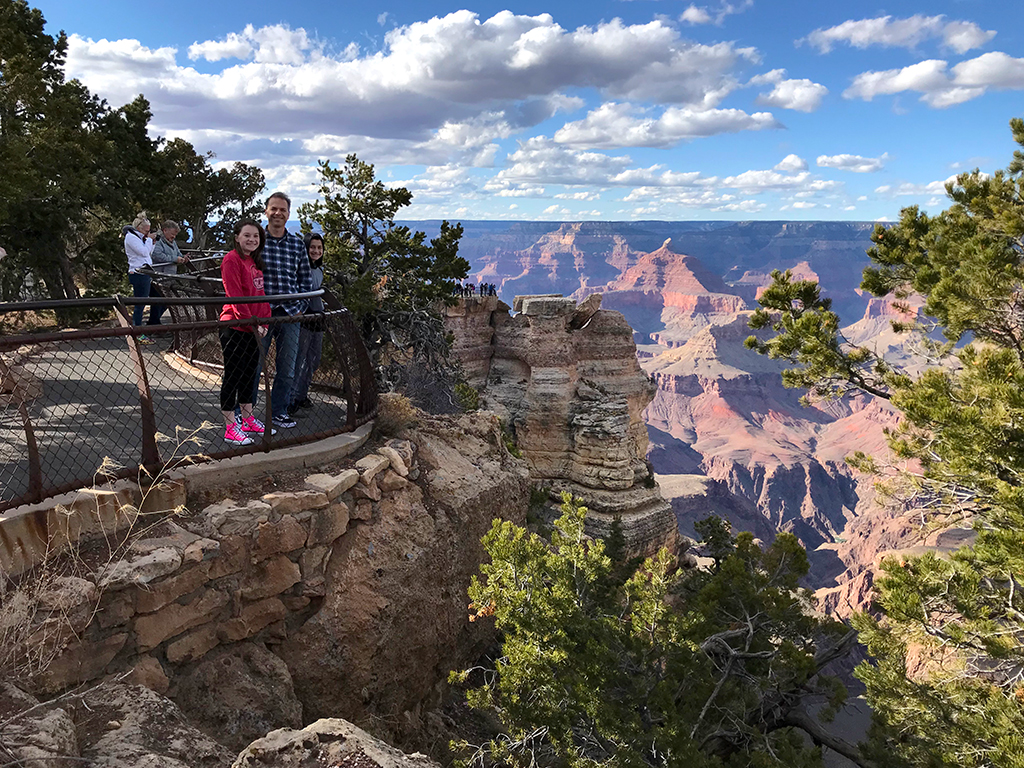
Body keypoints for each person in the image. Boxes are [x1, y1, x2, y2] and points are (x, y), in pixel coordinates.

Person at [251, 192, 312, 429]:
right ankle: (246, 414)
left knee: (287, 367)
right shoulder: (257, 241)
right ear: (266, 211)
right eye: (273, 209)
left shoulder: (297, 245)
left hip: (290, 314)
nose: (278, 213)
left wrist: (300, 309)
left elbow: (305, 280)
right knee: (255, 365)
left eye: (282, 210)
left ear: (288, 214)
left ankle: (279, 411)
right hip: (262, 314)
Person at [219, 220, 272, 446]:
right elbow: (236, 295)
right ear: (237, 237)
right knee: (234, 375)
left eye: (256, 236)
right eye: (247, 235)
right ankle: (231, 426)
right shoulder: (231, 260)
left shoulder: (255, 261)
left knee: (250, 375)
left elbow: (260, 294)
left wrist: (264, 323)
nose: (252, 240)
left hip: (255, 327)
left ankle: (248, 418)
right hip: (236, 327)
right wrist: (252, 322)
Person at [290, 232, 325, 415]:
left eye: (319, 248)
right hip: (304, 317)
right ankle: (292, 399)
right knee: (299, 358)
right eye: (312, 247)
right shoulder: (301, 268)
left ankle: (302, 393)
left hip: (317, 318)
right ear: (306, 248)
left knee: (313, 359)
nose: (316, 251)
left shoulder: (319, 269)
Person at [123, 213, 159, 342]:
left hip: (144, 272)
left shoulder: (139, 238)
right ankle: (137, 332)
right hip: (138, 273)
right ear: (138, 228)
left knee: (148, 301)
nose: (147, 233)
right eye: (146, 231)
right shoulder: (131, 238)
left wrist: (152, 242)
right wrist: (149, 239)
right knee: (140, 304)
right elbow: (143, 252)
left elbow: (147, 253)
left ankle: (140, 330)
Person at [148, 220, 190, 327]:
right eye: (172, 234)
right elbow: (156, 255)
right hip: (158, 276)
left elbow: (178, 253)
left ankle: (154, 322)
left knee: (166, 302)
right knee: (157, 302)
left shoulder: (172, 242)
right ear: (165, 230)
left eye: (175, 235)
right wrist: (174, 259)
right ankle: (154, 324)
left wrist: (183, 258)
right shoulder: (158, 241)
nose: (174, 237)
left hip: (169, 277)